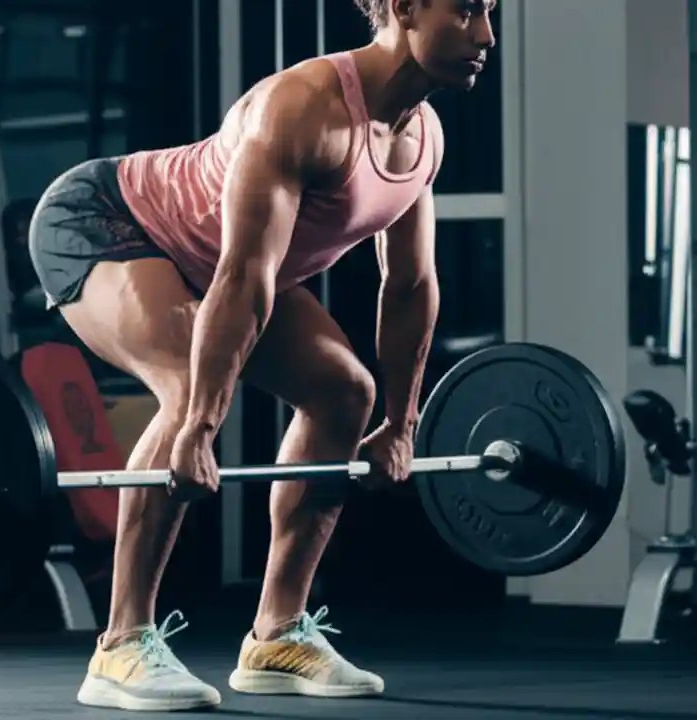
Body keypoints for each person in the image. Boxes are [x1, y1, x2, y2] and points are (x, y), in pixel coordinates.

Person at [27, 0, 495, 711]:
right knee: (188, 386)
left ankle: (277, 634)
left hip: (218, 264)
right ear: (403, 8)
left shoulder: (420, 137)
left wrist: (401, 422)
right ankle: (121, 645)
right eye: (465, 11)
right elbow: (245, 277)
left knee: (346, 393)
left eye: (490, 12)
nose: (485, 35)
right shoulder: (303, 108)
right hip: (108, 224)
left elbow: (410, 288)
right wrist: (199, 429)